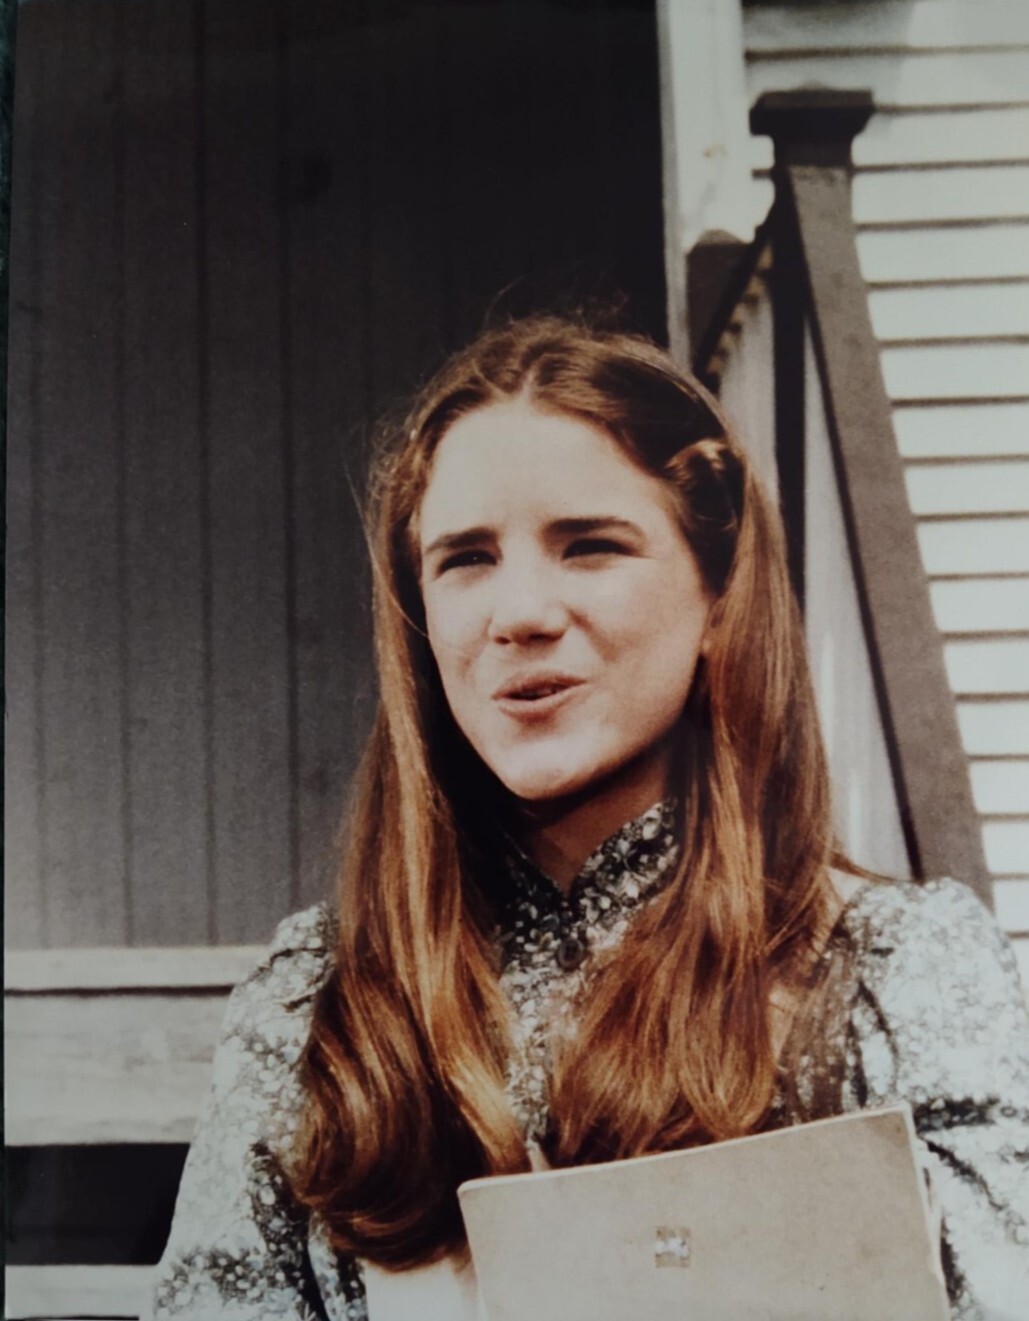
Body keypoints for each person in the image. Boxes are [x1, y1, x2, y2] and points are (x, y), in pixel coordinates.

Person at [146, 317, 1029, 1320]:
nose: (518, 611)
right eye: (465, 559)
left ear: (718, 595)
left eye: (591, 546)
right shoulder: (322, 1001)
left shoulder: (888, 967)